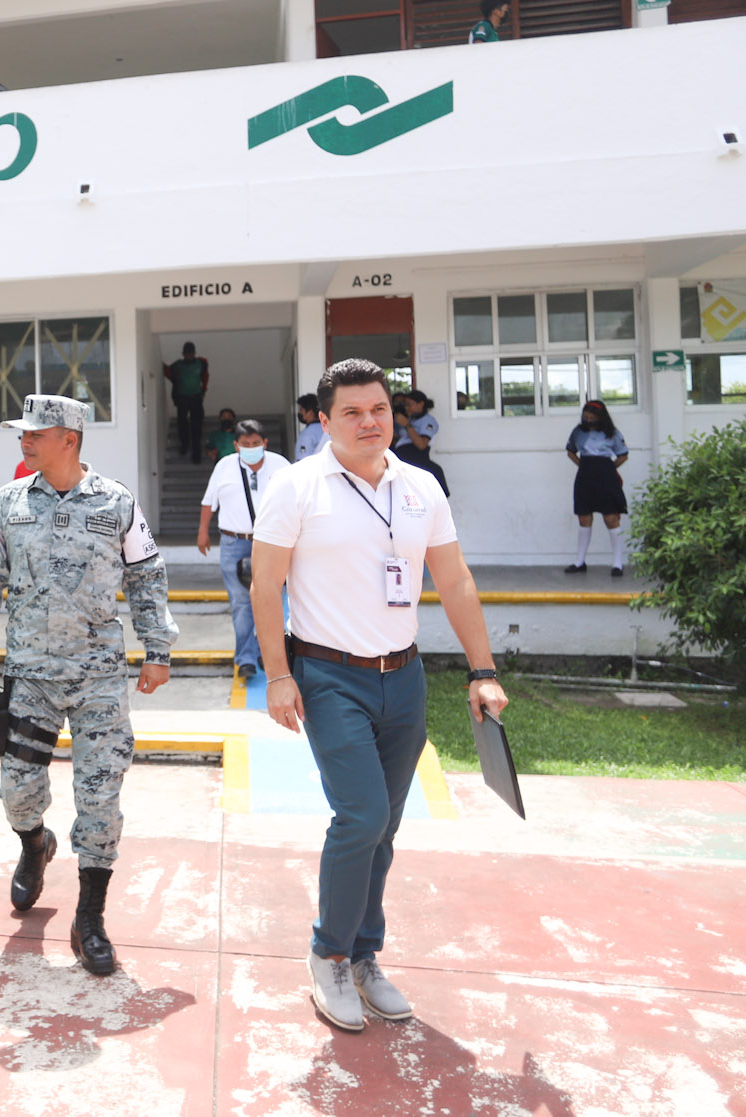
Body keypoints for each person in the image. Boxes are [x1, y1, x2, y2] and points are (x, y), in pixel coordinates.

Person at [249, 359, 506, 1032]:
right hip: (329, 674)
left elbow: (454, 581)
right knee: (361, 814)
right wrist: (277, 675)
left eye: (380, 410)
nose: (370, 422)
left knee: (385, 826)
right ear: (324, 421)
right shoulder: (296, 486)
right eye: (353, 412)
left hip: (406, 675)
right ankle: (328, 952)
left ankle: (364, 956)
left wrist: (483, 669)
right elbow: (264, 582)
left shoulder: (420, 487)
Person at [0, 394, 178, 977]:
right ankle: (35, 843)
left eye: (35, 434)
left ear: (68, 440)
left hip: (98, 675)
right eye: (22, 435)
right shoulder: (7, 503)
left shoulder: (115, 502)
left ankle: (90, 918)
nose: (24, 442)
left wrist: (158, 648)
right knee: (17, 789)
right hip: (29, 673)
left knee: (101, 798)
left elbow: (147, 575)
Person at [197, 418, 289, 683]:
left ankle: (266, 651)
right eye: (246, 444)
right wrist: (203, 531)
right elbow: (208, 502)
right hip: (234, 542)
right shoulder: (224, 467)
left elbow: (296, 501)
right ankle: (246, 658)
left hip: (272, 542)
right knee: (241, 602)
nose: (251, 448)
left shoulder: (280, 465)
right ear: (236, 446)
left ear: (265, 443)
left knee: (273, 598)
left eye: (256, 443)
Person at [565, 399, 629, 577]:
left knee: (610, 518)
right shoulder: (578, 432)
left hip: (606, 477)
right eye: (586, 418)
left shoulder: (612, 433)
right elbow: (570, 451)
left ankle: (617, 563)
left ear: (601, 418)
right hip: (585, 476)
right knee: (584, 518)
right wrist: (583, 466)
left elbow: (623, 455)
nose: (589, 421)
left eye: (592, 418)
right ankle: (580, 562)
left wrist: (609, 469)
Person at [392, 390, 450, 499]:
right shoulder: (411, 419)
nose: (406, 408)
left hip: (417, 456)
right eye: (405, 405)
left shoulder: (428, 421)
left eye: (410, 405)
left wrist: (407, 425)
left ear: (421, 404)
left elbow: (421, 444)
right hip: (401, 456)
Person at [163, 341, 209, 464]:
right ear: (183, 354)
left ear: (194, 353)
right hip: (182, 399)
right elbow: (168, 373)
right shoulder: (178, 365)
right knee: (182, 423)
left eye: (191, 353)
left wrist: (204, 389)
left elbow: (205, 377)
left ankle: (196, 453)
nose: (189, 355)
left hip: (196, 398)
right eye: (187, 353)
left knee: (197, 426)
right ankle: (184, 445)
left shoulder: (201, 363)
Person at [294, 394, 330, 462]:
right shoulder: (328, 428)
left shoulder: (308, 434)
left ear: (310, 412)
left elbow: (302, 461)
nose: (299, 412)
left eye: (301, 409)